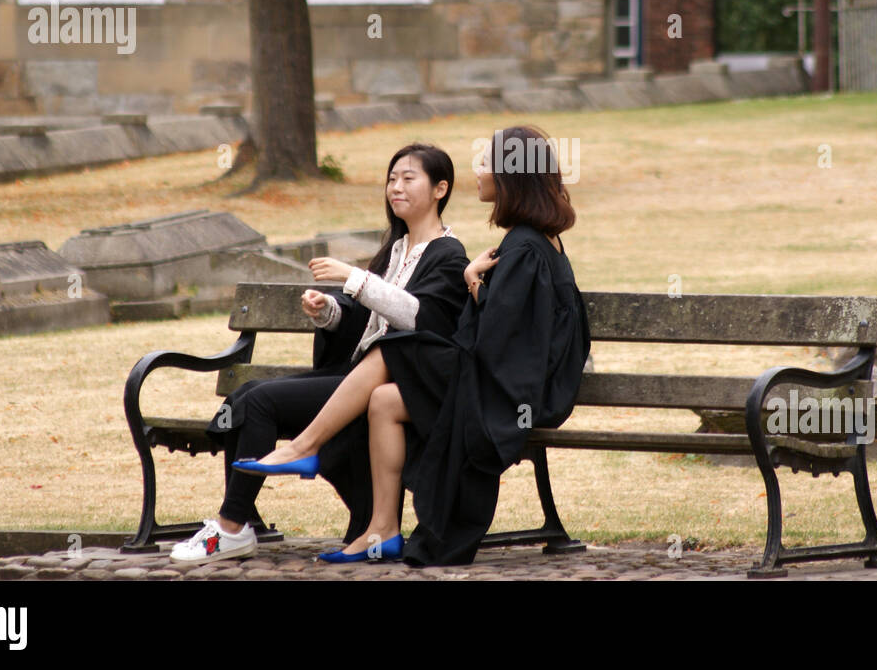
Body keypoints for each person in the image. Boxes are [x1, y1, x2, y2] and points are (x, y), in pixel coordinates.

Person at [236, 124, 590, 566]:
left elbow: (500, 342)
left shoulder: (524, 247)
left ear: (510, 175)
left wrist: (469, 282)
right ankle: (381, 530)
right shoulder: (530, 242)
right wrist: (474, 284)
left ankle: (306, 446)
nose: (477, 171)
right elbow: (513, 327)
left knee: (395, 350)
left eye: (486, 163)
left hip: (509, 392)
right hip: (504, 377)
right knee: (384, 398)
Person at [168, 143, 469, 563]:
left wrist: (354, 277)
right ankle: (239, 521)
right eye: (391, 178)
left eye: (408, 178)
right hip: (361, 377)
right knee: (247, 396)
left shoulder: (448, 254)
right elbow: (368, 326)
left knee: (260, 402)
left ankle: (231, 529)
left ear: (440, 189)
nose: (395, 187)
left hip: (402, 389)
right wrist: (329, 313)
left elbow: (420, 320)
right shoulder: (396, 250)